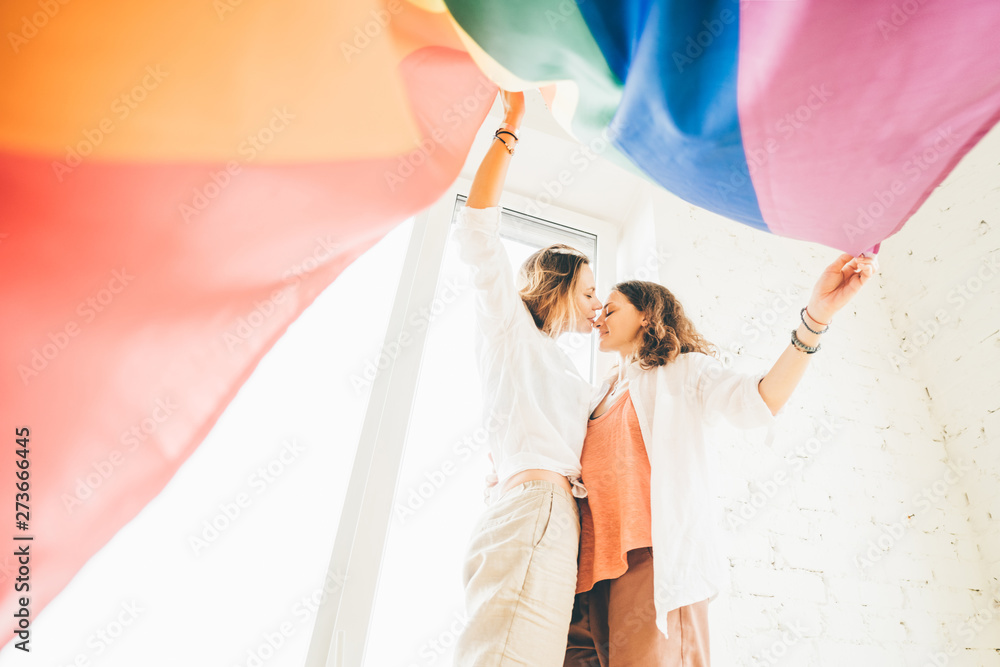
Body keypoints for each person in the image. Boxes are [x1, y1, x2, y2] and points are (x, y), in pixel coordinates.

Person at [563, 255, 876, 665]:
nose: (600, 316)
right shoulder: (597, 394)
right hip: (587, 575)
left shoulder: (683, 372)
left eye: (612, 307)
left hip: (651, 561)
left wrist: (815, 319)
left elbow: (760, 400)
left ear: (646, 315)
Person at [452, 87, 606, 666]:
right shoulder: (510, 329)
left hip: (548, 516)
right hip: (537, 508)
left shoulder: (562, 366)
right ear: (561, 284)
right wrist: (511, 125)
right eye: (589, 292)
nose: (596, 305)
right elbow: (476, 232)